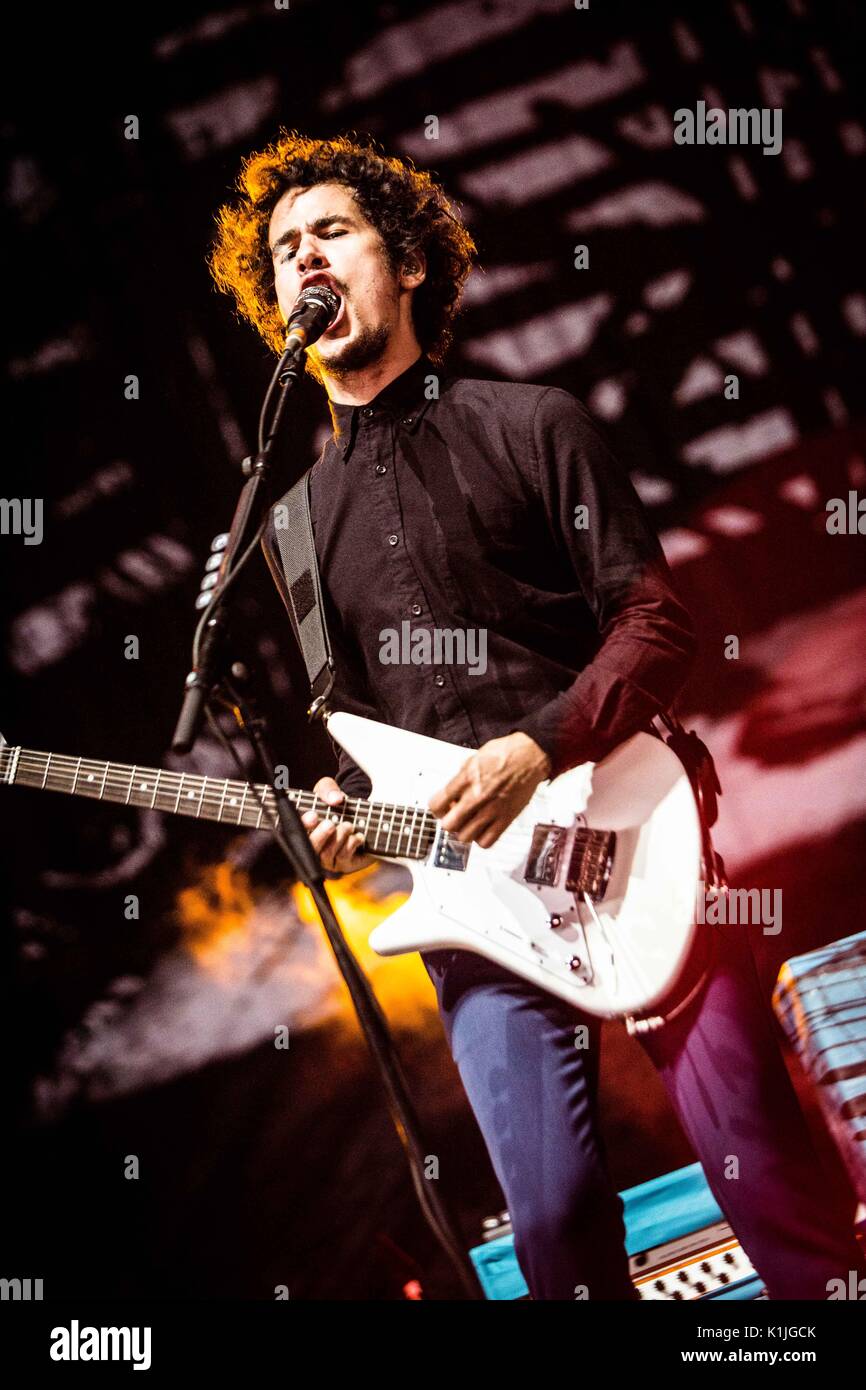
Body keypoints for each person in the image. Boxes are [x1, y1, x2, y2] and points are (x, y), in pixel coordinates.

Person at [209, 131, 866, 1299]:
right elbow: (356, 726)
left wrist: (536, 747)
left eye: (332, 230)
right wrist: (344, 817)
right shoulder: (292, 532)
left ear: (404, 261)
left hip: (632, 833)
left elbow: (655, 624)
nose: (303, 255)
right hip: (476, 908)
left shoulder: (530, 422)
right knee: (553, 1227)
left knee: (768, 1174)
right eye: (282, 248)